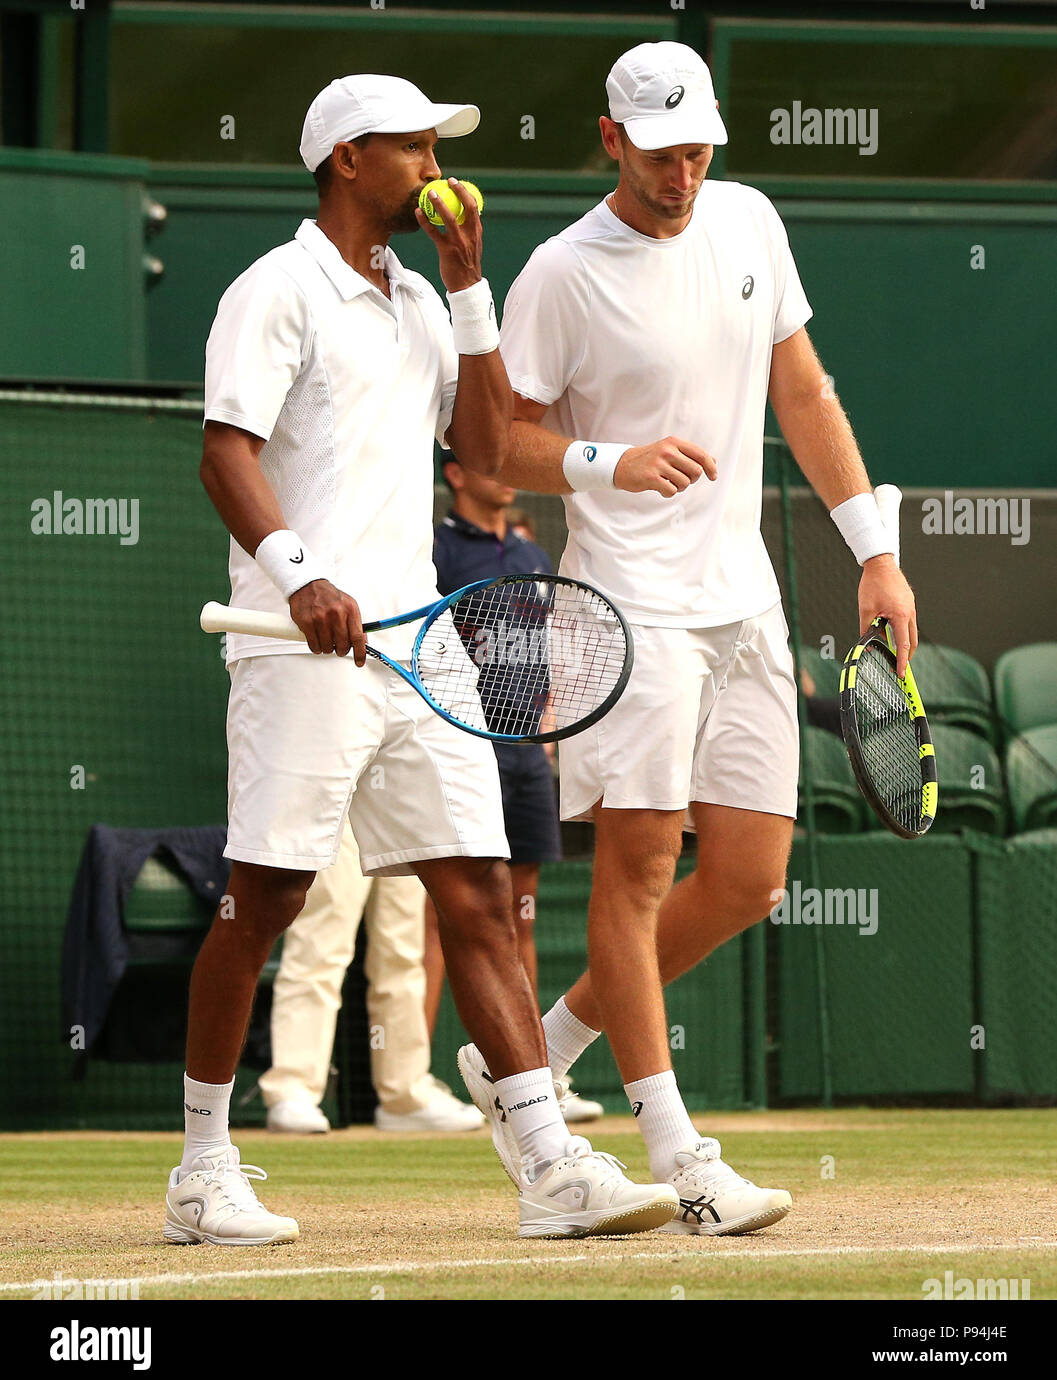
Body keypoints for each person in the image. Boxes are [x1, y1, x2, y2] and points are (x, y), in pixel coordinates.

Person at [167, 72, 679, 1246]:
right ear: (348, 158)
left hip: (417, 643)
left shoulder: (418, 297)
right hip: (298, 644)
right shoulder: (274, 289)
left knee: (480, 897)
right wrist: (301, 576)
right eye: (413, 148)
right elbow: (223, 454)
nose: (434, 169)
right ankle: (202, 1164)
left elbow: (492, 448)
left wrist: (466, 283)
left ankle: (549, 1167)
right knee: (269, 898)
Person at [460, 42, 918, 1236]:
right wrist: (609, 462)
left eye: (701, 147)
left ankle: (543, 1048)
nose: (685, 171)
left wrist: (873, 549)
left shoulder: (750, 221)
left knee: (751, 877)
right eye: (661, 153)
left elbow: (803, 389)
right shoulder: (559, 273)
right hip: (623, 604)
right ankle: (681, 1154)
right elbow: (492, 446)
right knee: (638, 871)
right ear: (611, 141)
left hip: (744, 603)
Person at [430, 450, 603, 1124]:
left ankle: (532, 1076)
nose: (503, 471)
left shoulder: (534, 554)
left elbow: (554, 652)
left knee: (520, 911)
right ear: (455, 472)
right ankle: (420, 1084)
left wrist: (551, 725)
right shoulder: (437, 550)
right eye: (486, 459)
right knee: (450, 910)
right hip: (457, 748)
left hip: (526, 755)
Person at [261, 821, 483, 1135]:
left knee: (403, 952)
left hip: (400, 800)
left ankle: (405, 1095)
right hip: (339, 798)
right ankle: (292, 1089)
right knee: (320, 944)